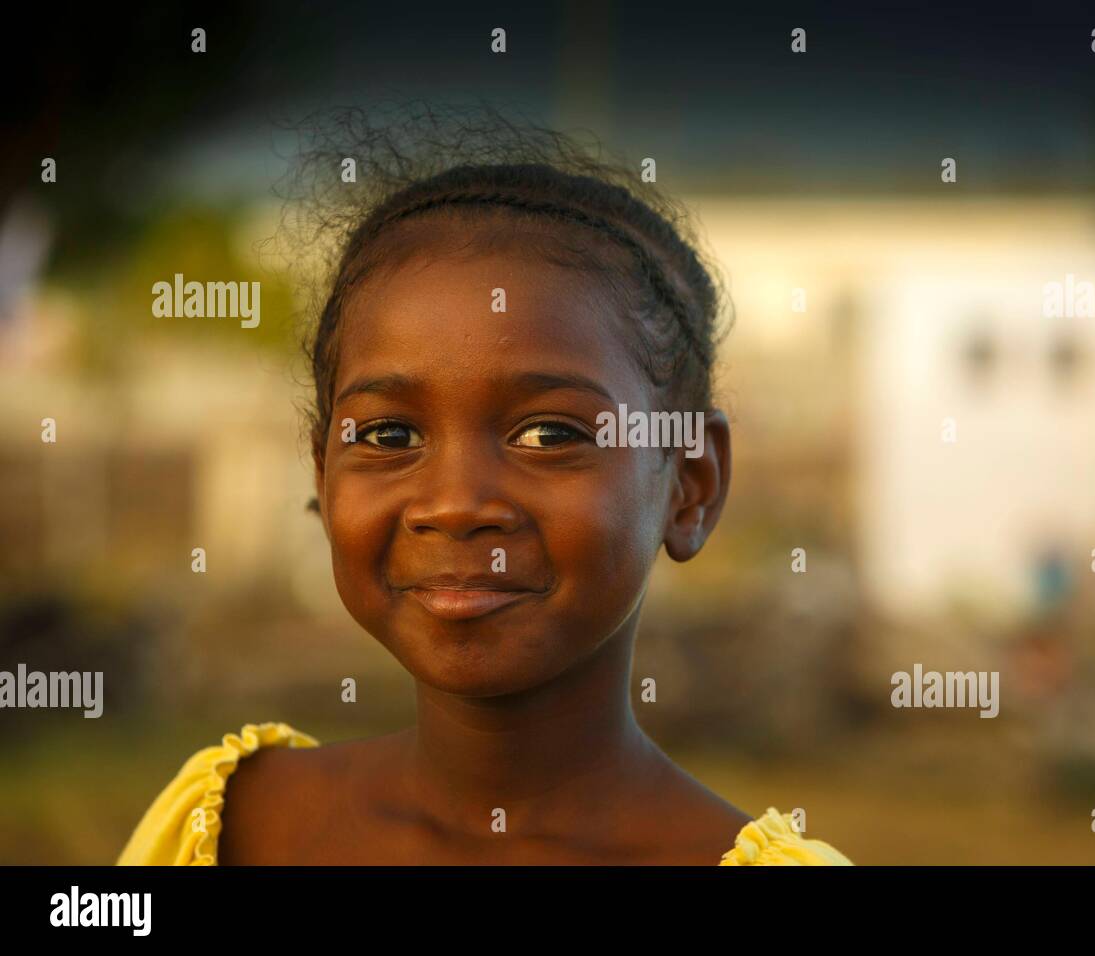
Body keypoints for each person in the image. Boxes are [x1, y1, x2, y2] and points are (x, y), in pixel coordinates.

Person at [116, 107, 853, 866]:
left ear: (690, 483)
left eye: (551, 435)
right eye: (389, 436)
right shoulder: (229, 831)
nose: (457, 505)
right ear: (323, 472)